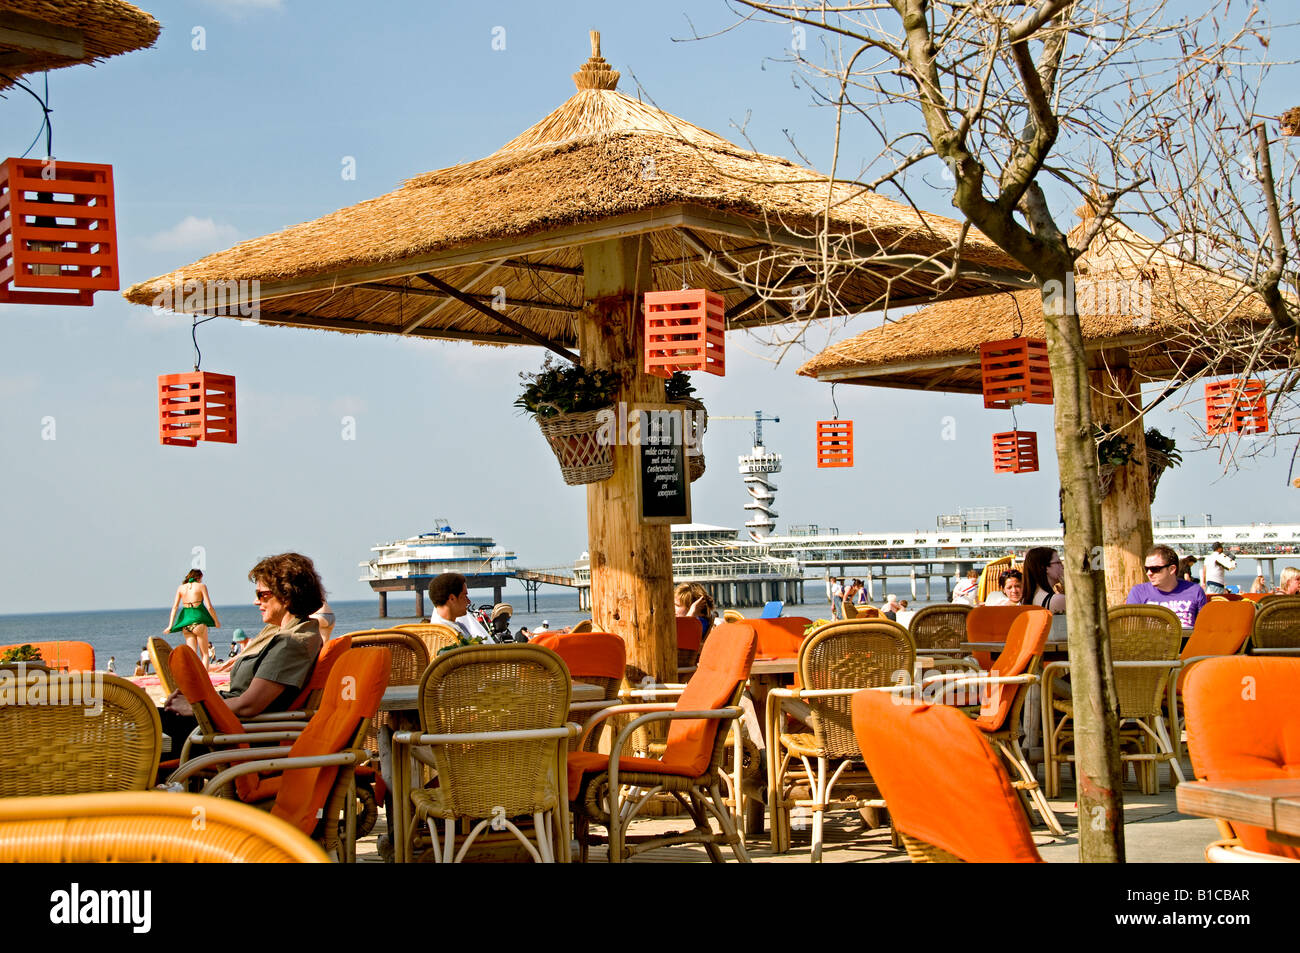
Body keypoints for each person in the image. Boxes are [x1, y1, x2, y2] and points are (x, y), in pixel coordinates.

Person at [161, 552, 326, 748]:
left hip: (237, 735)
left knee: (137, 725)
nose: (257, 602)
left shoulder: (292, 642)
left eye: (262, 595)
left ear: (286, 596)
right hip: (227, 725)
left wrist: (196, 706)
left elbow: (249, 705)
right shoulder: (278, 631)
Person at [1125, 545, 1208, 629]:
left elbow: (1205, 628)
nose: (1149, 573)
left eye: (1155, 569)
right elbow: (1132, 630)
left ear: (1172, 569)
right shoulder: (1138, 592)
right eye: (1146, 569)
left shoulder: (1195, 590)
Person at [165, 569, 220, 669]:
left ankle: (193, 678)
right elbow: (209, 607)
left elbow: (175, 607)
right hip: (198, 622)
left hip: (186, 624)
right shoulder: (201, 586)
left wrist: (170, 625)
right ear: (198, 577)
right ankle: (204, 679)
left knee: (192, 655)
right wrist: (216, 621)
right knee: (205, 654)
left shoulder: (181, 588)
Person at [427, 572, 493, 642]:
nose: (468, 601)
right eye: (464, 596)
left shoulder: (456, 627)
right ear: (452, 598)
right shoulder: (444, 636)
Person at [1023, 547, 1066, 613]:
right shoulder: (1058, 600)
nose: (1062, 566)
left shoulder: (1032, 597)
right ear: (1045, 567)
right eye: (1058, 562)